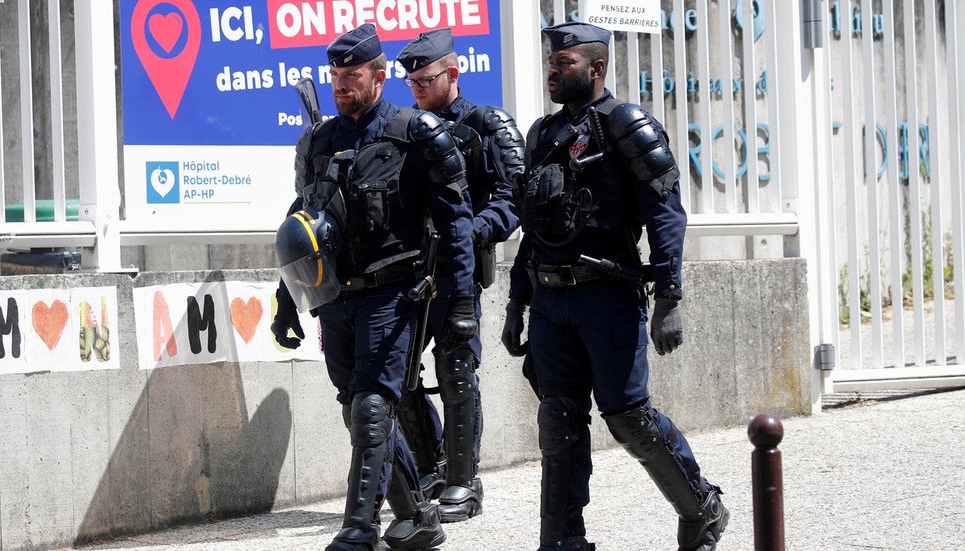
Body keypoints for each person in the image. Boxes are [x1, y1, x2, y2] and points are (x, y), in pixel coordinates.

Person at [500, 22, 729, 551]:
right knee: (557, 421)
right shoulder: (543, 134)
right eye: (551, 64)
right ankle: (562, 541)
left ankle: (702, 506)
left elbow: (666, 214)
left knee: (629, 419)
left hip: (608, 296)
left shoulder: (628, 125)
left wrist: (669, 298)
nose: (552, 72)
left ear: (596, 68)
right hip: (552, 300)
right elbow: (533, 229)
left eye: (564, 64)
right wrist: (517, 302)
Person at [270, 23, 478, 551]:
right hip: (334, 297)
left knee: (372, 408)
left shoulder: (418, 134)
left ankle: (358, 532)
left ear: (379, 77)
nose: (341, 85)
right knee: (356, 409)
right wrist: (286, 298)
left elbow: (456, 226)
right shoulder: (319, 141)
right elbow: (306, 221)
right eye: (335, 75)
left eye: (352, 75)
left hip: (395, 294)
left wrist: (460, 305)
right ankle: (418, 517)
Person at [391, 28, 525, 523]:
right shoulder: (406, 128)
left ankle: (464, 483)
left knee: (455, 370)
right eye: (412, 82)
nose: (418, 88)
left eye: (427, 79)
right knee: (398, 374)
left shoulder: (485, 126)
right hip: (407, 272)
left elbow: (515, 197)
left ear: (453, 72)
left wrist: (472, 228)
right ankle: (432, 466)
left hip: (459, 271)